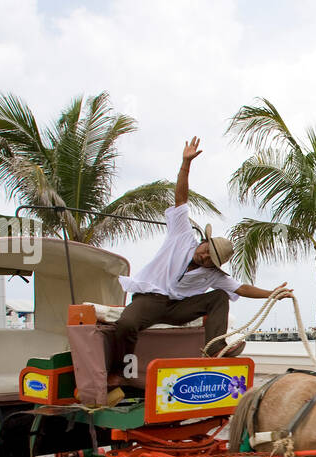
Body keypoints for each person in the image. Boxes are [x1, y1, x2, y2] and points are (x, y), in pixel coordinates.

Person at [109, 137, 291, 380]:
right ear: (205, 240)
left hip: (177, 308)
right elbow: (181, 199)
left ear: (214, 265)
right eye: (206, 249)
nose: (203, 256)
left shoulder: (212, 273)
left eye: (209, 260)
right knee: (125, 324)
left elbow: (241, 288)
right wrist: (186, 164)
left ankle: (215, 350)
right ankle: (119, 371)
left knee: (219, 296)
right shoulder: (182, 236)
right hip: (150, 298)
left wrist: (271, 294)